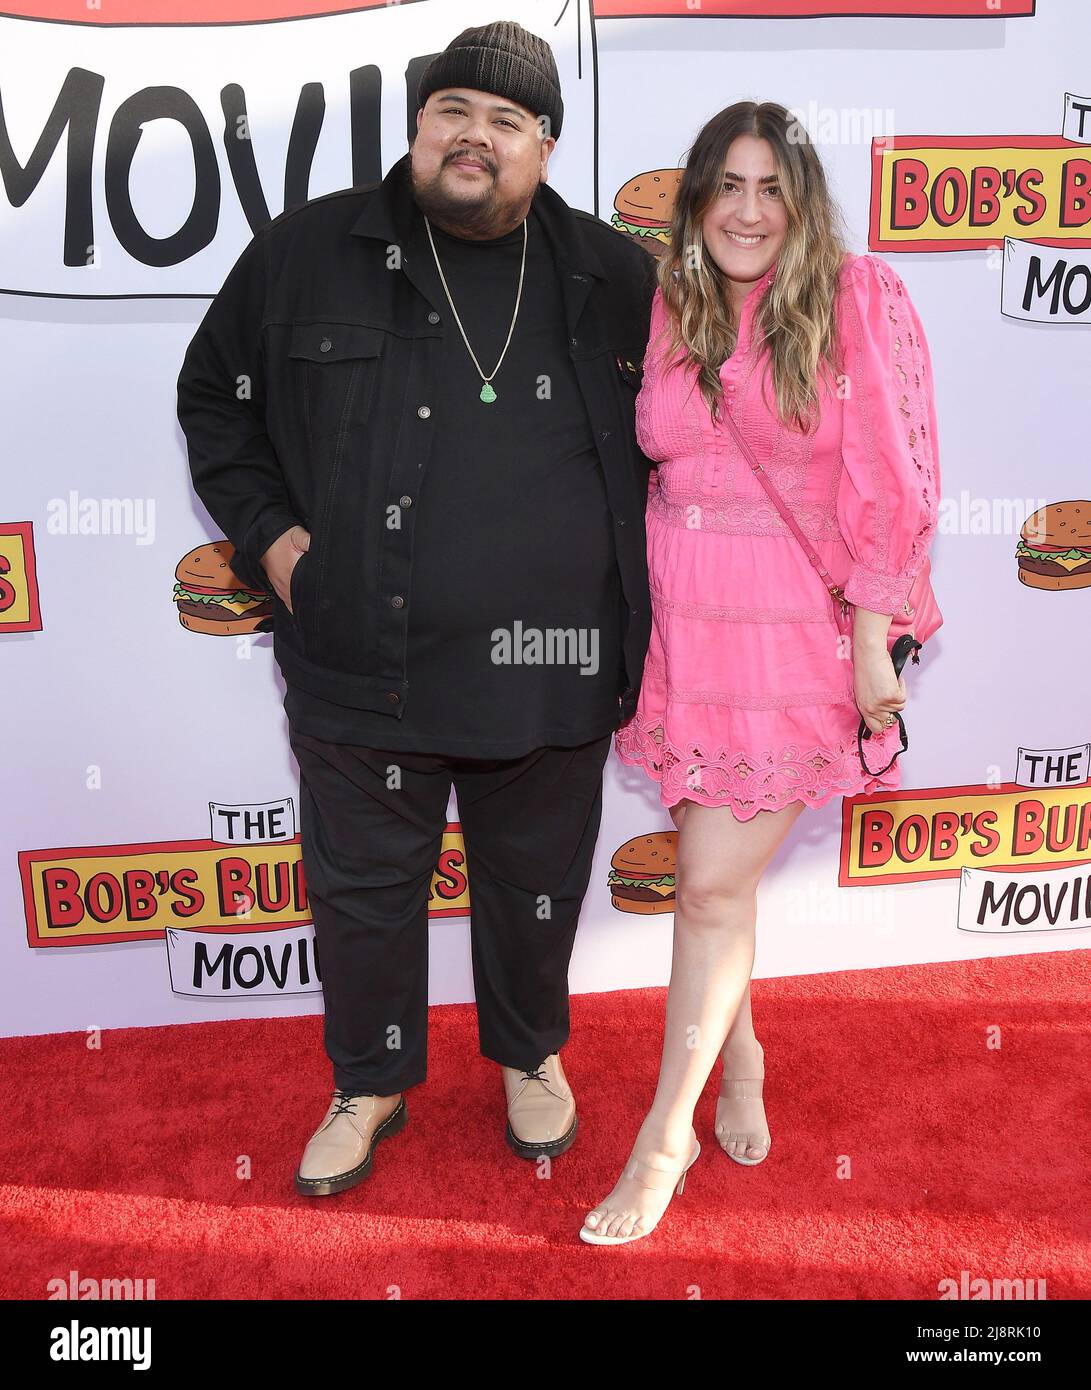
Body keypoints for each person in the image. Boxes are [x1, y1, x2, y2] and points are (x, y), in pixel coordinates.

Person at [176, 20, 658, 1196]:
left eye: (504, 121)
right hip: (360, 656)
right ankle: (370, 1079)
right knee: (361, 893)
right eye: (451, 110)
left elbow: (687, 445)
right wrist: (279, 545)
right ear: (417, 125)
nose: (472, 138)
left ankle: (528, 1055)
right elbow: (212, 401)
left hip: (554, 662)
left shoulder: (615, 276)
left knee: (534, 881)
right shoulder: (303, 254)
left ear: (545, 144)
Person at [580, 101, 940, 1244]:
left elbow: (894, 477)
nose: (746, 211)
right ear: (694, 202)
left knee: (704, 889)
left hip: (791, 642)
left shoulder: (852, 297)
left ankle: (661, 1137)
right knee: (714, 885)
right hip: (684, 631)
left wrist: (873, 633)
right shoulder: (673, 301)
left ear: (800, 199)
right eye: (724, 187)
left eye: (769, 187)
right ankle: (739, 1061)